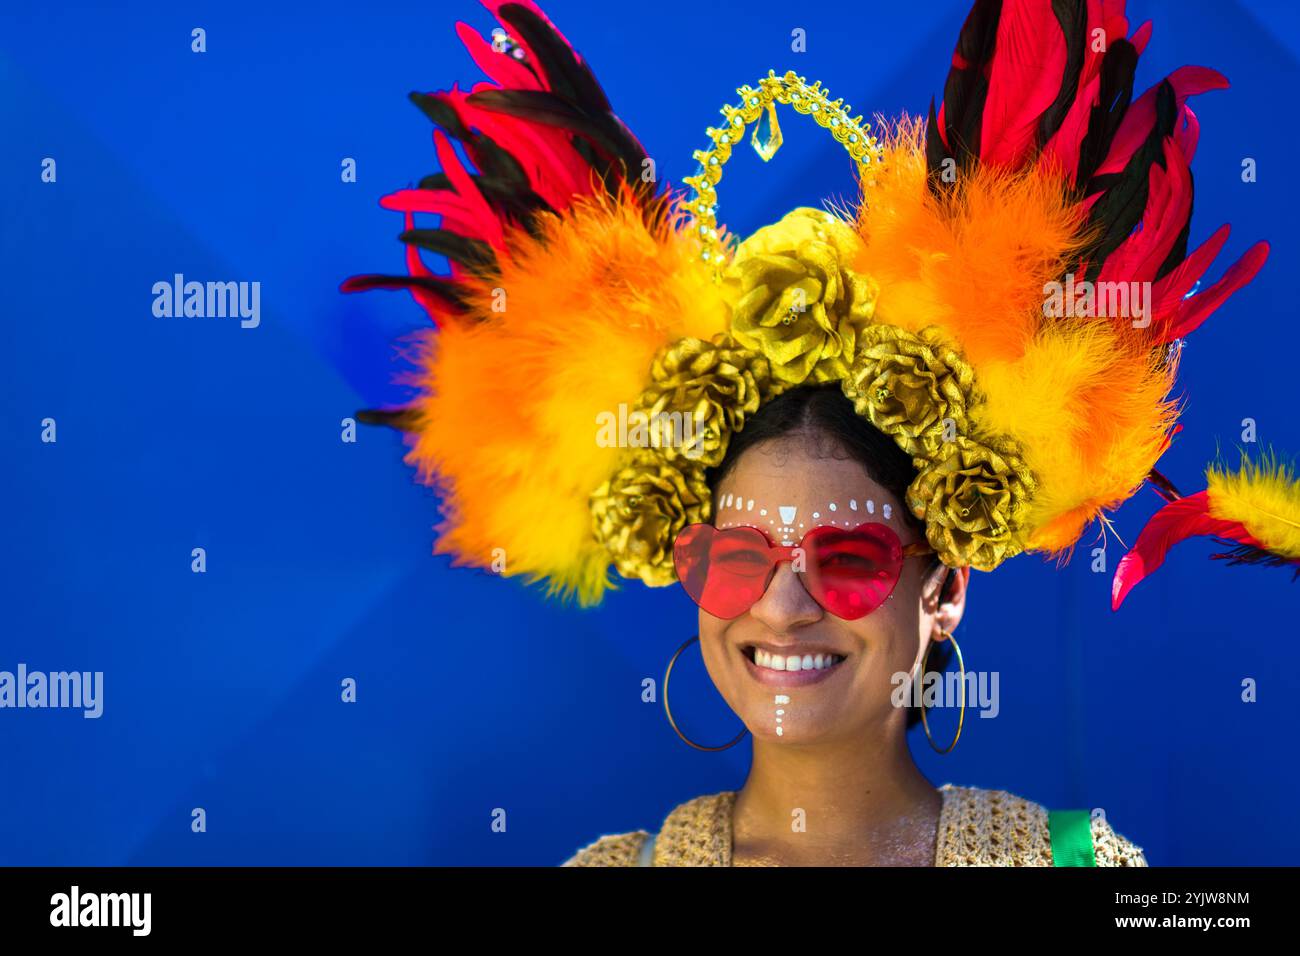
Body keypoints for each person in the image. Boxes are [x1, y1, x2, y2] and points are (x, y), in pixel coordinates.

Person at [343, 0, 1269, 866]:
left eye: (850, 558)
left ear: (942, 589)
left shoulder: (1074, 865)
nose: (783, 610)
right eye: (735, 557)